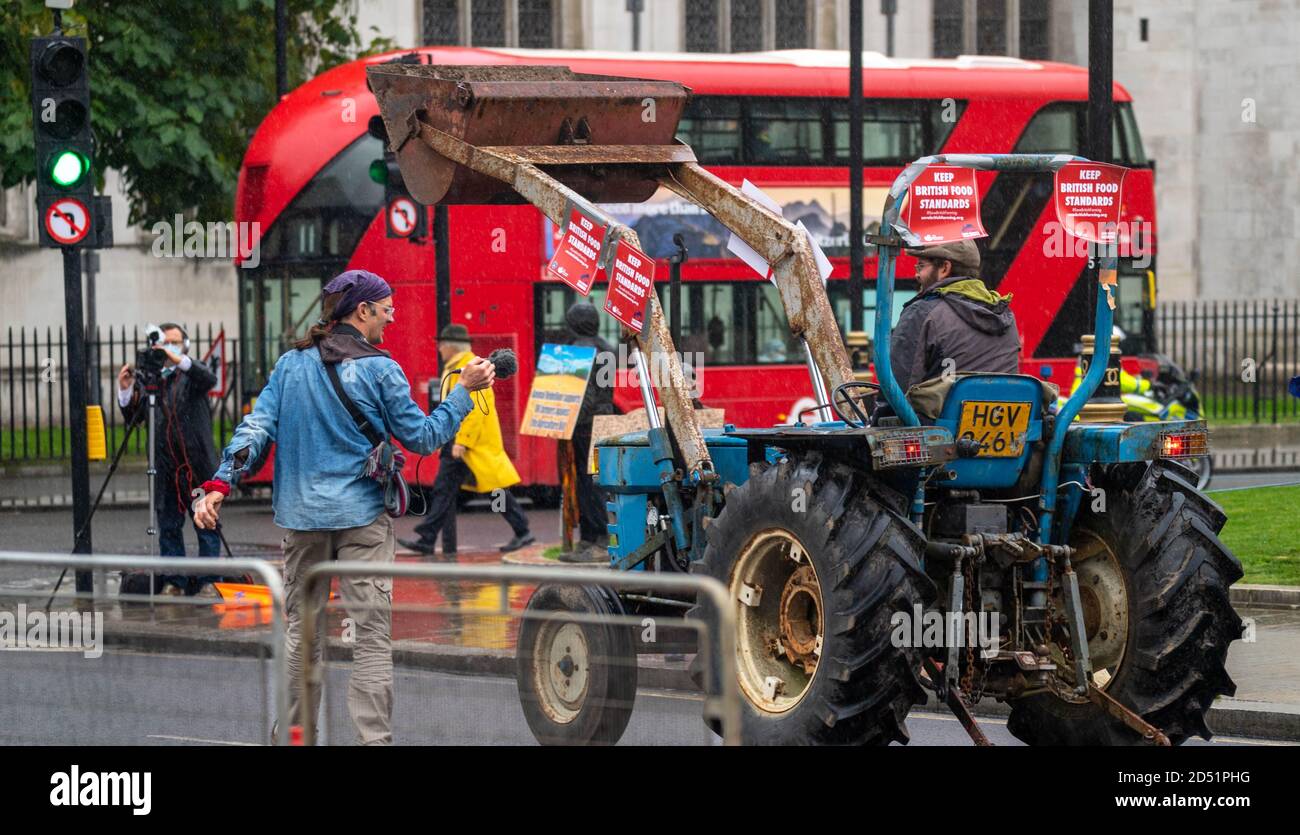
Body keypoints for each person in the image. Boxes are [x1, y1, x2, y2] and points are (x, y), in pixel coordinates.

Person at [192, 270, 495, 745]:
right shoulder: (381, 369)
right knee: (371, 637)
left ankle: (294, 736)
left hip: (302, 517)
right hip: (362, 520)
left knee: (301, 635)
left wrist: (219, 484)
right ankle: (373, 742)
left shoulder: (290, 365)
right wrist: (463, 393)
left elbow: (255, 429)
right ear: (362, 311)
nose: (391, 318)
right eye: (387, 309)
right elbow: (422, 437)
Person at [398, 324, 535, 557]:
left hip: (469, 443)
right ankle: (427, 537)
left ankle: (521, 530)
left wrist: (462, 441)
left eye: (441, 344)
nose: (439, 349)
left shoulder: (470, 367)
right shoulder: (458, 366)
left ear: (451, 346)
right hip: (464, 441)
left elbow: (477, 410)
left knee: (478, 489)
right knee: (453, 489)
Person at [117, 323, 221, 595]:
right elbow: (135, 418)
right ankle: (175, 581)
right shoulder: (153, 380)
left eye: (175, 342)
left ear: (184, 346)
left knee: (206, 523)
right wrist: (126, 390)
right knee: (169, 527)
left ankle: (208, 580)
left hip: (196, 465)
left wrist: (179, 360)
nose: (169, 348)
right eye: (166, 343)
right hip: (165, 468)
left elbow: (210, 379)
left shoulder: (192, 374)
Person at [890, 239, 1021, 394]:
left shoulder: (922, 312)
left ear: (945, 268)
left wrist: (880, 416)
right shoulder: (1005, 314)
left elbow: (897, 389)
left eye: (921, 265)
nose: (916, 274)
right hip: (1001, 415)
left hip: (941, 418)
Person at [556, 303, 618, 563]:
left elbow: (584, 397)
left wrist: (564, 422)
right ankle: (594, 538)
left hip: (583, 426)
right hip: (603, 420)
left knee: (585, 482)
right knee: (595, 480)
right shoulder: (606, 348)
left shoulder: (577, 351)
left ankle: (595, 540)